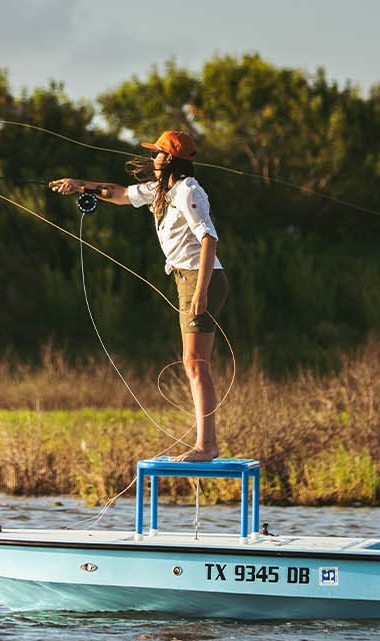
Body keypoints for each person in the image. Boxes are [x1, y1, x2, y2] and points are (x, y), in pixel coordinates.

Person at [49, 130, 228, 462]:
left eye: (158, 153)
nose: (153, 159)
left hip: (201, 279)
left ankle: (207, 446)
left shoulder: (189, 192)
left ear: (171, 160)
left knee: (195, 363)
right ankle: (206, 444)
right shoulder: (161, 190)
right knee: (193, 363)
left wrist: (200, 292)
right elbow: (118, 193)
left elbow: (209, 239)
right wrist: (80, 184)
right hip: (187, 279)